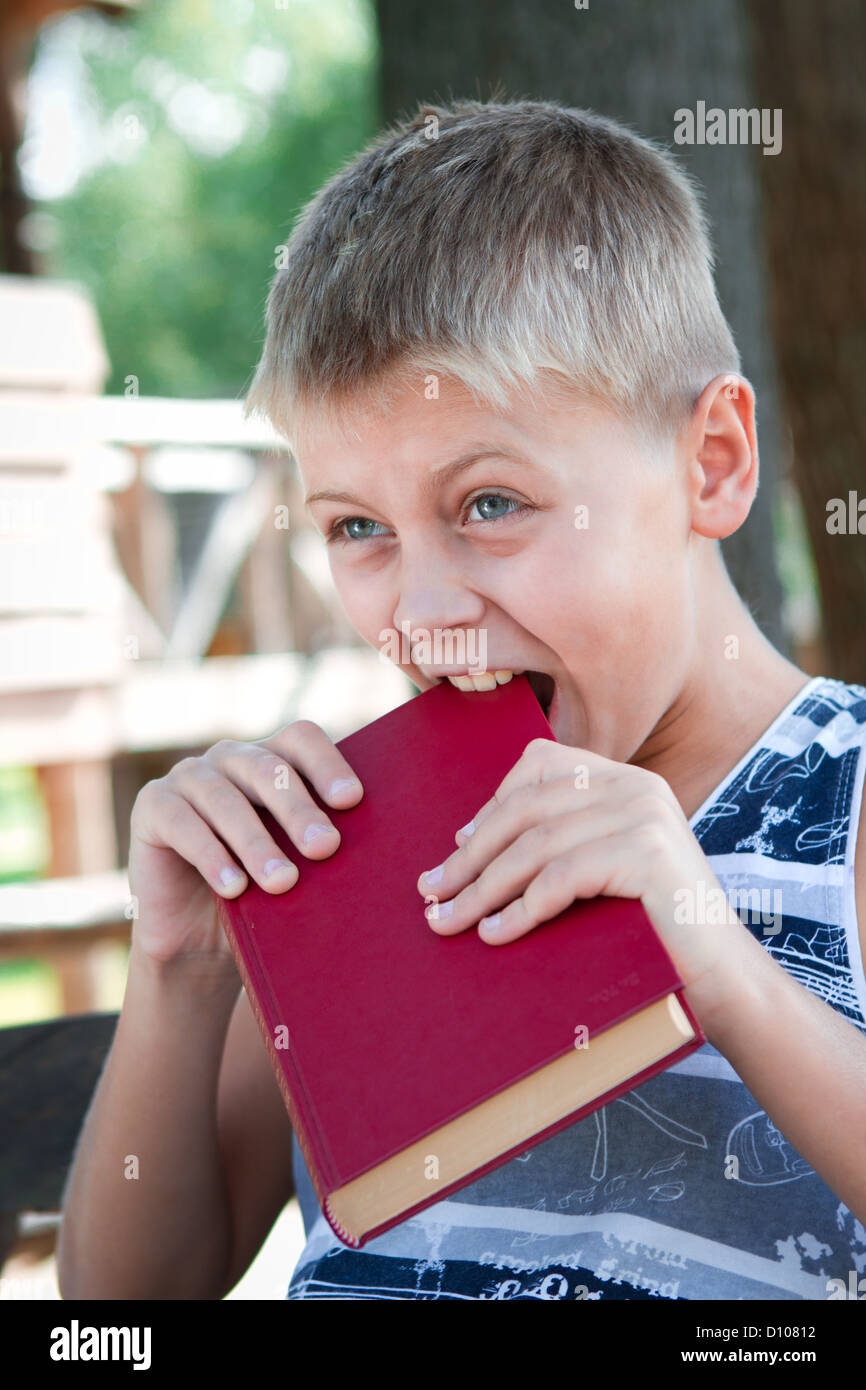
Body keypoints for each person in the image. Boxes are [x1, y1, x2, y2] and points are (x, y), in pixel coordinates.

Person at [57, 98, 866, 1302]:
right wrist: (179, 970)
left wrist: (721, 970)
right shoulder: (343, 848)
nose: (421, 607)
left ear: (710, 463)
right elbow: (120, 1309)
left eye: (490, 504)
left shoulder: (845, 801)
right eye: (357, 528)